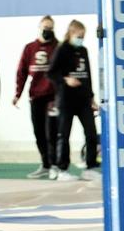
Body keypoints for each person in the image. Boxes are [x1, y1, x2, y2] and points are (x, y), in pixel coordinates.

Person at [44, 19, 100, 181]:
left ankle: (90, 166)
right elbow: (51, 73)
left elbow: (88, 75)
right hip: (66, 100)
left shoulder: (83, 51)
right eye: (78, 36)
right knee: (64, 135)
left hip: (83, 100)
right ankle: (63, 169)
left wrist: (91, 98)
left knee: (91, 133)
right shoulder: (61, 50)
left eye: (83, 36)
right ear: (70, 34)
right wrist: (65, 80)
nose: (81, 39)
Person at [12, 15, 60, 177]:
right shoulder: (30, 48)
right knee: (38, 132)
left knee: (51, 132)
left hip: (53, 97)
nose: (48, 31)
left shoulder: (58, 47)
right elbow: (22, 72)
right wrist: (17, 94)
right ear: (39, 28)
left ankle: (55, 164)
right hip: (36, 96)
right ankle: (45, 163)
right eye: (45, 28)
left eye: (51, 28)